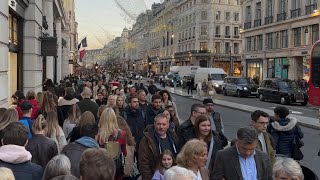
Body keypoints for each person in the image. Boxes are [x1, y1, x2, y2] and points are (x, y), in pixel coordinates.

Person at [139, 113, 178, 180]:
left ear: (168, 125)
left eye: (164, 124)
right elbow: (143, 163)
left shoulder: (173, 136)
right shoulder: (147, 139)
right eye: (158, 124)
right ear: (154, 124)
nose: (161, 127)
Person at [97, 108, 127, 179]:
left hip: (102, 168)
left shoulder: (98, 135)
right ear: (114, 119)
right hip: (116, 168)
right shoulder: (121, 134)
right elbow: (124, 153)